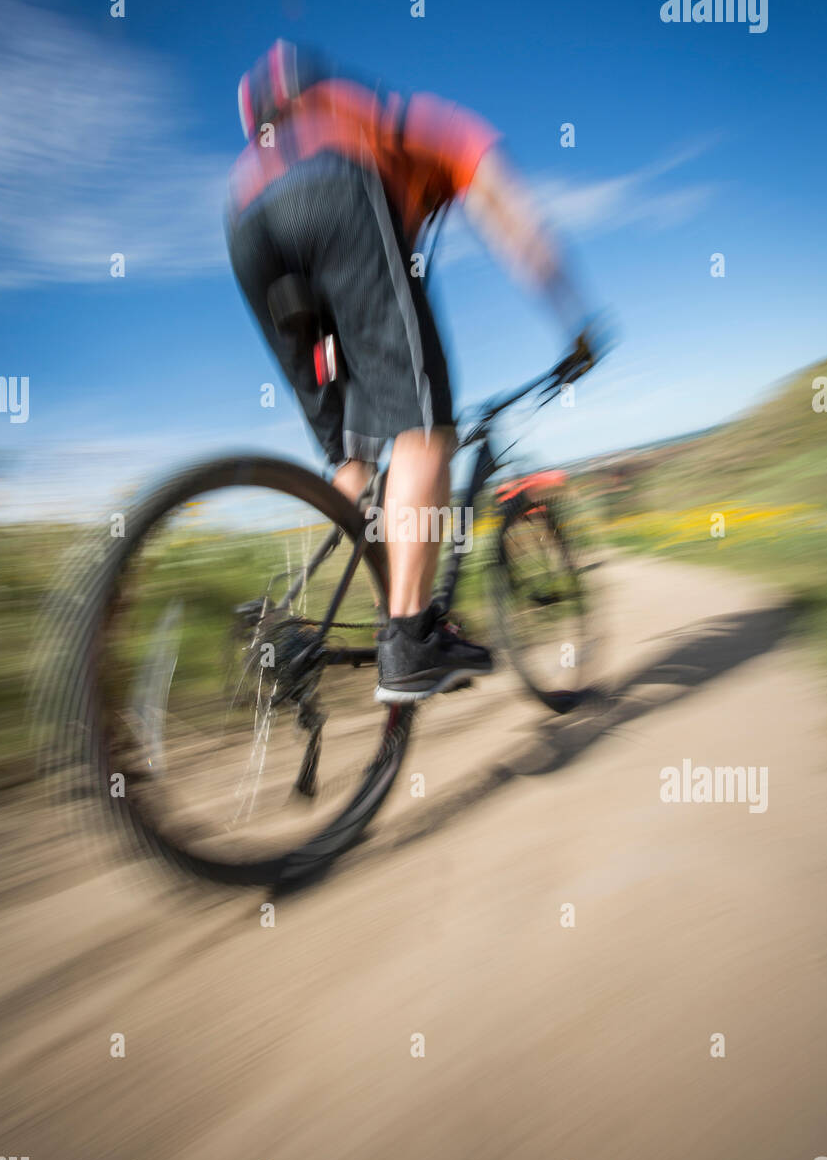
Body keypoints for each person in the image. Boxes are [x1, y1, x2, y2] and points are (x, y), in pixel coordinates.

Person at [225, 39, 587, 702]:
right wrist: (574, 316)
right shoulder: (410, 123)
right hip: (336, 195)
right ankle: (411, 639)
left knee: (353, 452)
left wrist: (340, 378)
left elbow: (340, 325)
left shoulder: (277, 147)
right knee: (425, 427)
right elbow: (512, 216)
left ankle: (324, 631)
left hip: (246, 224)